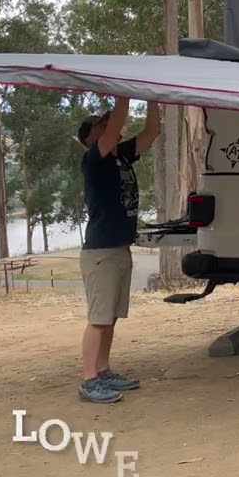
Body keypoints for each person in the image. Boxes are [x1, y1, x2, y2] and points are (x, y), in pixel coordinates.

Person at [75, 96, 159, 404]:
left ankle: (104, 370)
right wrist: (123, 93)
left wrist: (152, 98)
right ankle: (89, 380)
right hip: (100, 252)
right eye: (101, 124)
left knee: (110, 318)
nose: (108, 125)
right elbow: (117, 124)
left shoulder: (120, 156)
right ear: (91, 137)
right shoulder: (94, 160)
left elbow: (152, 132)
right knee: (99, 319)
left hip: (119, 248)